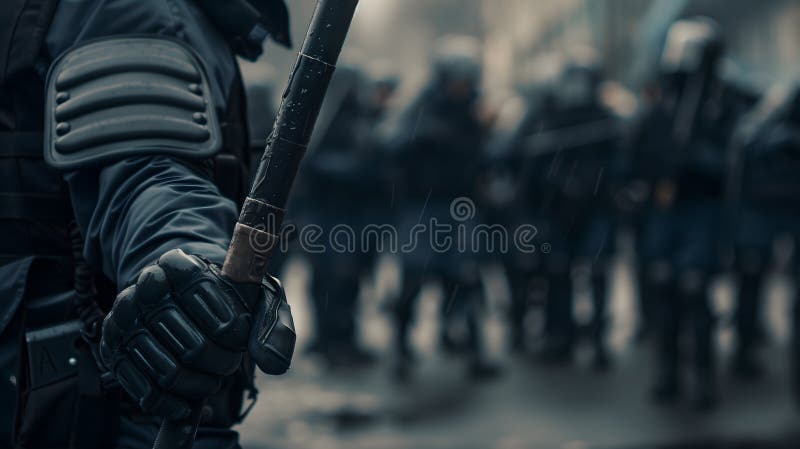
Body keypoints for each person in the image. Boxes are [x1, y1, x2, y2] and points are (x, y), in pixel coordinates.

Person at [0, 1, 296, 447]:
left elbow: (149, 173)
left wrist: (189, 261)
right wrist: (189, 266)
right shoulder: (124, 5)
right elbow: (150, 174)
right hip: (95, 407)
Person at [627, 17, 756, 410]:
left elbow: (734, 163)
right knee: (663, 284)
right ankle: (668, 373)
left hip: (703, 208)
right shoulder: (661, 102)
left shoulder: (723, 103)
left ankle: (703, 376)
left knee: (694, 286)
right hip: (665, 210)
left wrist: (698, 159)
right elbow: (636, 155)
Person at [385, 35, 499, 380]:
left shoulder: (477, 109)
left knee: (467, 277)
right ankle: (401, 350)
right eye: (457, 81)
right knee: (412, 280)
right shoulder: (421, 105)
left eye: (468, 81)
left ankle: (475, 351)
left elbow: (490, 155)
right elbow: (390, 143)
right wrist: (427, 133)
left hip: (461, 206)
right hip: (421, 207)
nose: (463, 88)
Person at [729, 82, 800, 381]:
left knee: (753, 280)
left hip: (777, 210)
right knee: (751, 279)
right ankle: (745, 347)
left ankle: (746, 346)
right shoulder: (761, 129)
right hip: (762, 212)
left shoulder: (758, 126)